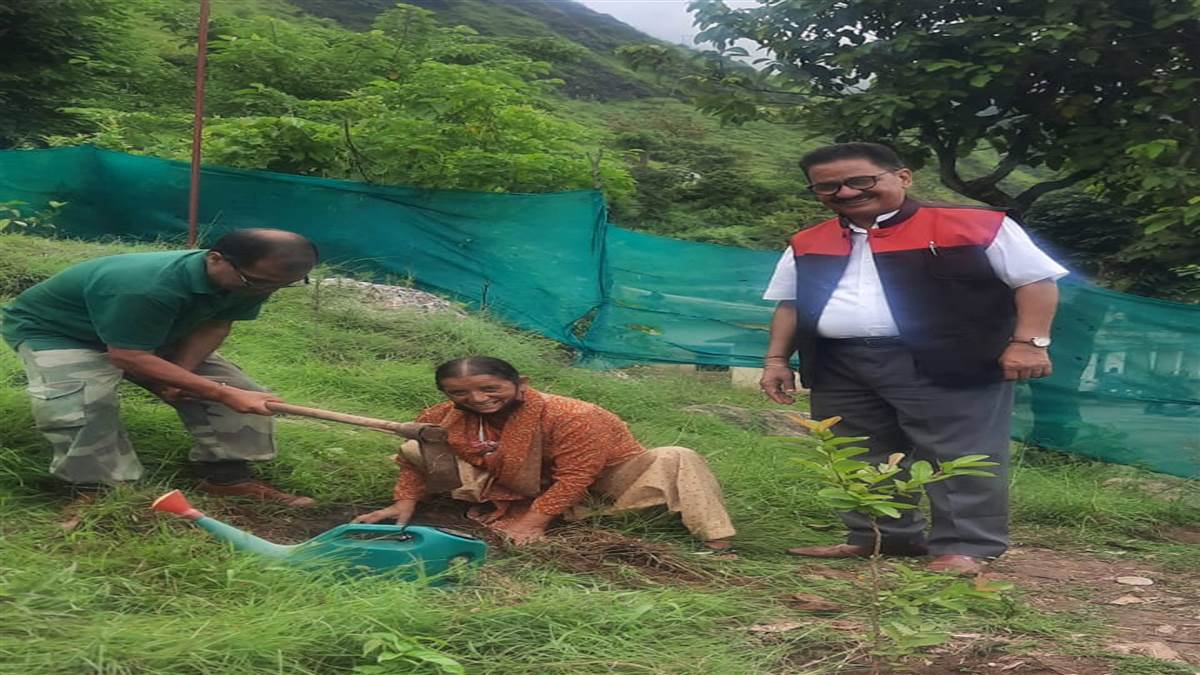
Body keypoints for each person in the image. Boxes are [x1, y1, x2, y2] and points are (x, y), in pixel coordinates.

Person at [759, 143, 1068, 574]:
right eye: (827, 187)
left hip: (952, 358)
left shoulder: (977, 225)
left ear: (902, 177)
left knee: (959, 452)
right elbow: (790, 304)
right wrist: (776, 359)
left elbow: (1035, 281)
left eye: (861, 181)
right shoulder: (808, 241)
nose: (846, 192)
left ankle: (966, 546)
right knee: (857, 451)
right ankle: (881, 537)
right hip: (839, 364)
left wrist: (1030, 343)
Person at [1, 228, 319, 519]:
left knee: (242, 389)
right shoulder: (144, 285)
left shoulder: (254, 277)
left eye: (283, 285)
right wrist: (221, 392)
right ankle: (99, 489)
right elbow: (128, 356)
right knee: (82, 403)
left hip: (146, 332)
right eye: (260, 283)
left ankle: (226, 478)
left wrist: (181, 374)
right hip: (62, 332)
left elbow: (215, 325)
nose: (268, 291)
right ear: (215, 259)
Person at [354, 356, 737, 551]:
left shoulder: (574, 415)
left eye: (490, 388)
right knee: (416, 444)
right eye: (460, 393)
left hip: (603, 484)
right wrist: (405, 500)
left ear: (520, 384)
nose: (478, 399)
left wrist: (531, 524)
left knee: (677, 455)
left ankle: (717, 545)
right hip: (518, 485)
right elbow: (415, 458)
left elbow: (577, 476)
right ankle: (526, 511)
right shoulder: (445, 415)